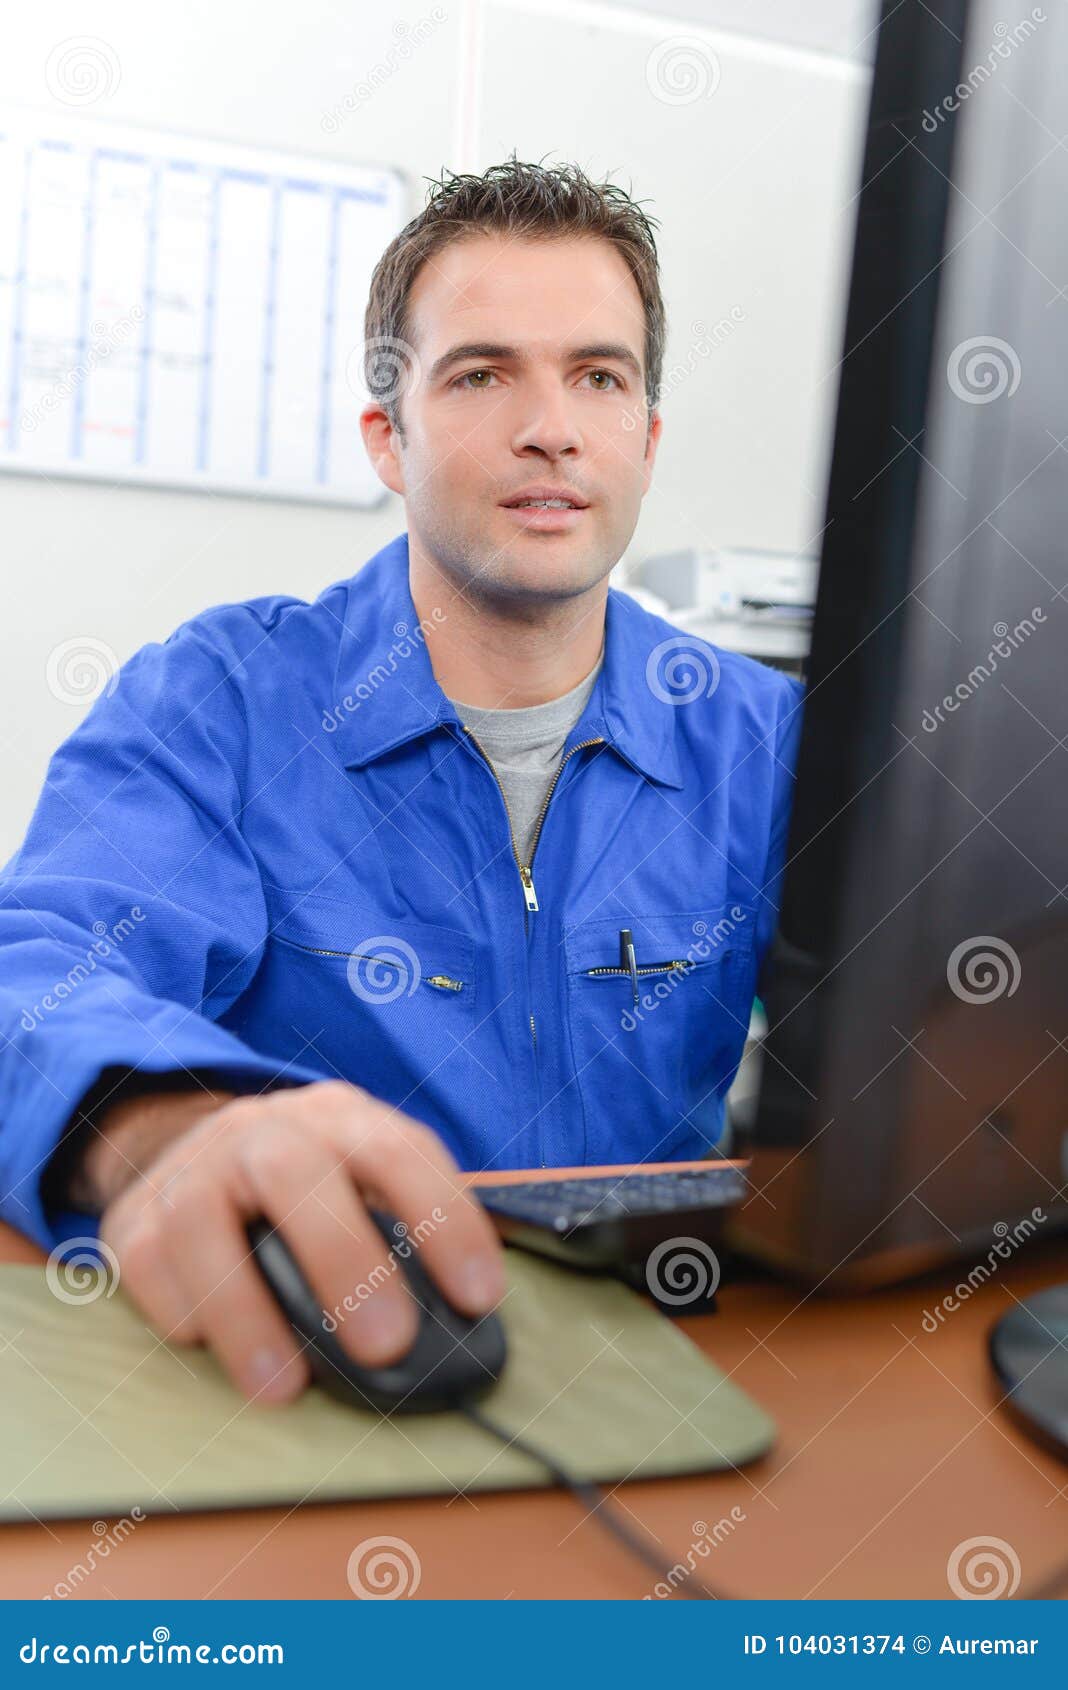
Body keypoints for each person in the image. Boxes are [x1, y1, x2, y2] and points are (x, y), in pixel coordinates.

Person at [0, 158, 804, 1406]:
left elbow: (931, 1012)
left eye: (600, 375)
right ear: (390, 434)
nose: (553, 426)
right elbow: (40, 968)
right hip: (318, 1372)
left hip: (675, 1360)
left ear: (645, 439)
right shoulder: (223, 697)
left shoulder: (766, 737)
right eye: (482, 374)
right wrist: (170, 1128)